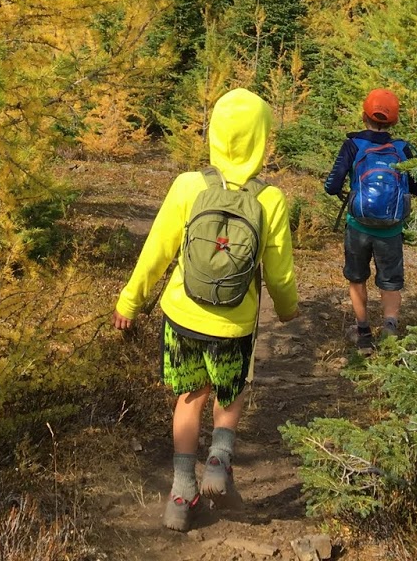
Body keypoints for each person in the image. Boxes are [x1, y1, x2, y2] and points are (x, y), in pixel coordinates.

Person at [113, 87, 298, 533]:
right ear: (262, 138)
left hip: (182, 314)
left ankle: (180, 494)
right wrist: (288, 309)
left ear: (214, 133)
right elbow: (279, 271)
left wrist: (130, 300)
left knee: (189, 397)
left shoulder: (188, 185)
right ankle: (218, 462)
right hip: (233, 324)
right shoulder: (270, 199)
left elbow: (156, 250)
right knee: (230, 393)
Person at [323, 88, 417, 353]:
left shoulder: (353, 145)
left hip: (358, 227)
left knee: (357, 278)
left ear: (364, 114)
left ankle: (363, 333)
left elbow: (331, 186)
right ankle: (389, 330)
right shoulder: (402, 149)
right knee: (390, 281)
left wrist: (349, 193)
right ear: (394, 120)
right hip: (391, 229)